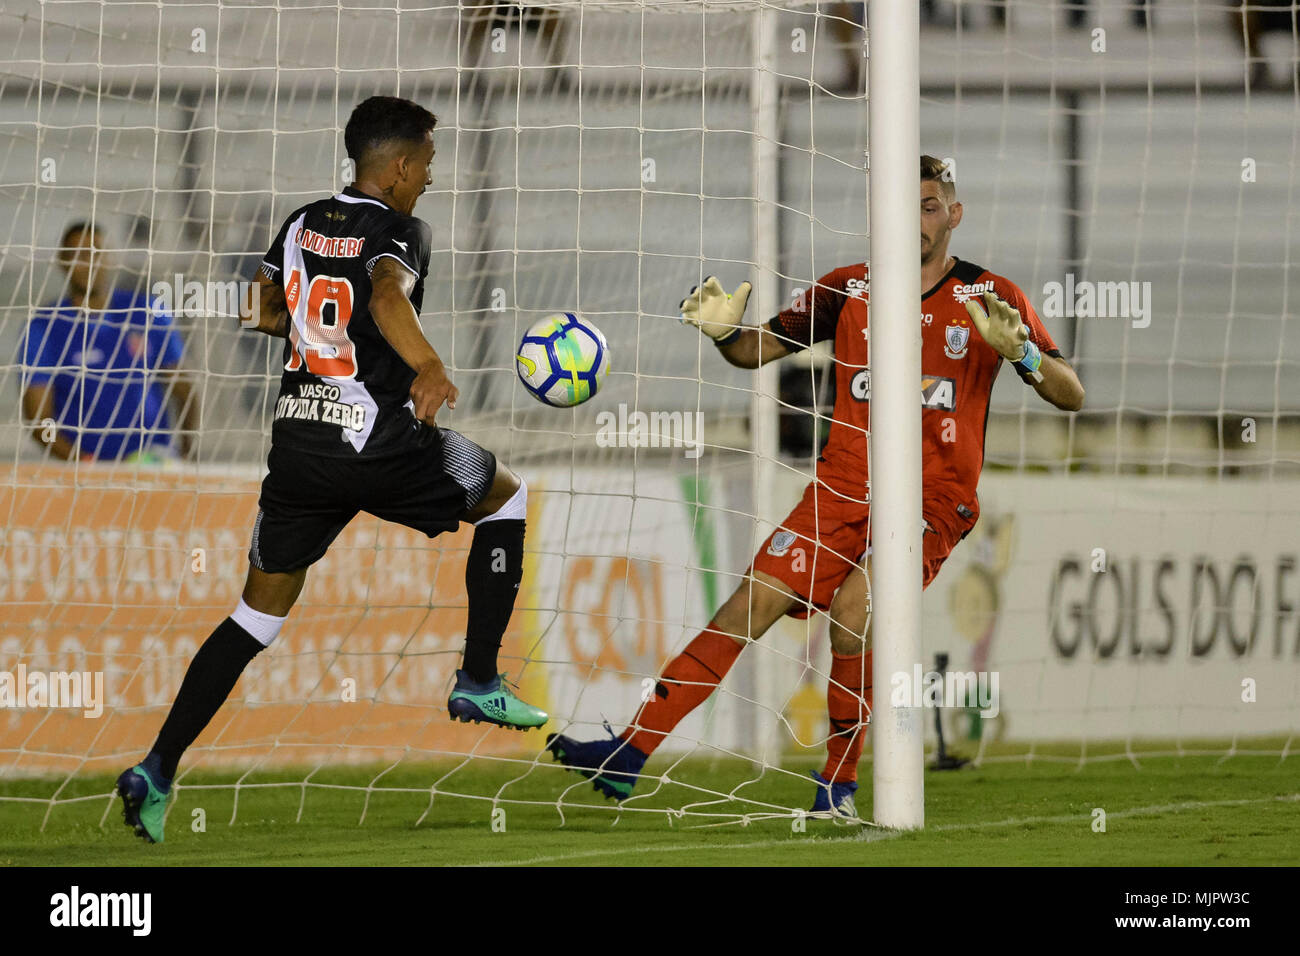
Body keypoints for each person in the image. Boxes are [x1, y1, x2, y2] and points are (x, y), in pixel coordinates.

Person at [548, 155, 1085, 818]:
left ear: (954, 213)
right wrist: (724, 334)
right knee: (747, 605)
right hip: (841, 490)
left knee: (855, 610)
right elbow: (756, 350)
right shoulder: (847, 289)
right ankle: (629, 752)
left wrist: (1022, 354)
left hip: (934, 498)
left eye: (929, 204)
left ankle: (838, 788)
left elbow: (1072, 394)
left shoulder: (988, 297)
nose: (916, 219)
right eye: (904, 204)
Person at [115, 96, 547, 844]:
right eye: (429, 167)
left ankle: (156, 766)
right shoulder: (401, 229)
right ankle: (478, 678)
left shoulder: (298, 221)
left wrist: (320, 330)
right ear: (402, 166)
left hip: (299, 451)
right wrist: (429, 365)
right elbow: (383, 293)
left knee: (253, 617)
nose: (431, 182)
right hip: (382, 447)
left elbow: (258, 310)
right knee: (506, 500)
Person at [20, 222, 198, 462]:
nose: (88, 263)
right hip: (87, 476)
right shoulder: (44, 327)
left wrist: (186, 452)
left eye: (95, 253)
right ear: (62, 261)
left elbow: (185, 390)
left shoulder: (148, 311)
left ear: (110, 258)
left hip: (153, 466)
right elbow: (40, 422)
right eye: (78, 255)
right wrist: (80, 461)